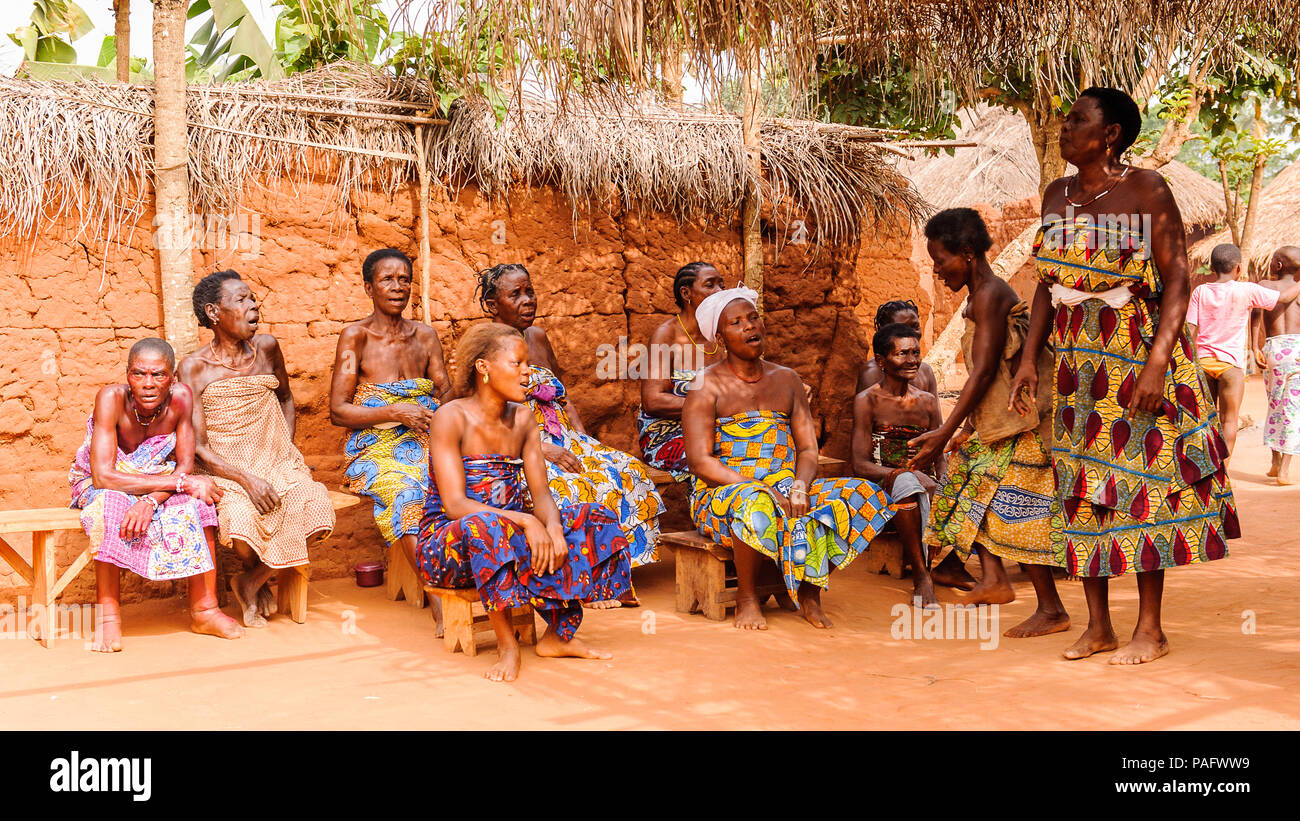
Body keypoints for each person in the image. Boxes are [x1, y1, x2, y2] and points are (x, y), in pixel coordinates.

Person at [1010, 87, 1239, 664]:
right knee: (1084, 495)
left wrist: (1158, 363)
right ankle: (1098, 627)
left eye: (1078, 120)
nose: (1065, 129)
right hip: (1075, 374)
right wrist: (1027, 363)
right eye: (1065, 120)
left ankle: (1150, 630)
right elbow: (1046, 285)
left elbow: (1177, 279)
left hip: (1135, 359)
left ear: (1110, 134)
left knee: (1139, 493)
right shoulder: (1056, 194)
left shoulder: (1145, 189)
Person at [417, 322, 632, 682]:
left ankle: (557, 635)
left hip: (510, 535)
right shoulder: (450, 417)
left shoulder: (523, 418)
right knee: (486, 527)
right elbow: (455, 504)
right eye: (516, 363)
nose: (527, 371)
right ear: (483, 368)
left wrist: (553, 528)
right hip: (452, 545)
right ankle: (508, 646)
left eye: (526, 363)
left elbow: (542, 494)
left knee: (595, 517)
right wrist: (528, 522)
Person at [683, 284, 896, 630]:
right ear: (720, 338)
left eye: (753, 318)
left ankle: (810, 592)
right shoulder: (705, 386)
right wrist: (759, 487)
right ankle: (747, 598)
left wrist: (799, 484)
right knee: (754, 503)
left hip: (786, 485)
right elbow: (701, 462)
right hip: (723, 490)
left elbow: (809, 448)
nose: (750, 326)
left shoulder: (788, 380)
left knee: (860, 496)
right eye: (736, 323)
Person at [909, 209, 1069, 639]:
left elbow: (981, 374)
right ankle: (994, 580)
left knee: (1019, 512)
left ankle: (1051, 609)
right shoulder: (980, 295)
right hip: (1001, 423)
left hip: (1022, 425)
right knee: (970, 485)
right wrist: (966, 431)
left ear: (967, 253)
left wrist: (944, 431)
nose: (938, 271)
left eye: (941, 261)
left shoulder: (988, 296)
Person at [476, 263, 663, 604]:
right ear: (492, 304)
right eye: (515, 294)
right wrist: (541, 449)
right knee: (568, 484)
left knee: (625, 471)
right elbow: (484, 415)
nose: (527, 300)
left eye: (529, 291)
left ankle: (614, 575)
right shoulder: (484, 347)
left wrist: (584, 439)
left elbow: (561, 395)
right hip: (517, 445)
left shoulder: (537, 338)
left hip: (560, 433)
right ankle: (581, 580)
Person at [179, 270, 336, 628]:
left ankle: (251, 581)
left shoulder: (266, 348)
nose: (254, 305)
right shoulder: (193, 367)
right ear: (214, 312)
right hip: (225, 468)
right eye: (242, 300)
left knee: (315, 505)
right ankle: (256, 574)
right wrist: (248, 479)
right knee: (240, 515)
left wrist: (284, 451)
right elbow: (199, 447)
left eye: (253, 298)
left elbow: (286, 399)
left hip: (276, 459)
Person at [69, 338, 243, 651]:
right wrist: (175, 485)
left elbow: (185, 467)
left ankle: (205, 611)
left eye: (158, 375)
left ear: (172, 378)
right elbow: (103, 476)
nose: (148, 384)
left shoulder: (181, 399)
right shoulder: (110, 398)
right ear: (127, 376)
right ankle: (108, 619)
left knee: (199, 505)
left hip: (158, 481)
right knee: (110, 506)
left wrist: (151, 501)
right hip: (103, 483)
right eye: (139, 374)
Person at [330, 249, 452, 587]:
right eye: (387, 279)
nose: (397, 287)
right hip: (376, 448)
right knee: (406, 492)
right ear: (369, 288)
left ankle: (471, 576)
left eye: (404, 280)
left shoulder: (425, 336)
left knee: (474, 481)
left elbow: (447, 392)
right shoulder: (355, 337)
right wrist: (396, 412)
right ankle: (437, 592)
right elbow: (338, 411)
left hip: (430, 438)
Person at [850, 322, 945, 607]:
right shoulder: (868, 401)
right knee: (906, 484)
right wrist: (901, 472)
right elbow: (859, 464)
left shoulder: (927, 402)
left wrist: (945, 482)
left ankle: (956, 568)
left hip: (925, 483)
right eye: (902, 354)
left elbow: (939, 453)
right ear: (881, 361)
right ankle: (922, 577)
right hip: (884, 482)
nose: (912, 360)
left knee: (975, 478)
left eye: (916, 353)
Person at [1186, 243, 1300, 458]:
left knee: (1205, 420)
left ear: (1211, 267)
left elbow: (1190, 327)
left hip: (1203, 363)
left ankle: (1204, 470)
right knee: (1229, 420)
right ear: (1238, 268)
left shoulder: (1200, 291)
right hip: (1231, 367)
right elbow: (1283, 299)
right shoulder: (1247, 290)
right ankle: (1224, 473)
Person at [636, 262, 726, 480]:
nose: (719, 292)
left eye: (721, 285)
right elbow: (653, 401)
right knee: (728, 456)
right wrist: (715, 407)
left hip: (717, 428)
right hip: (669, 434)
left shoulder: (723, 334)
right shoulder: (666, 335)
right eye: (710, 285)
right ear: (686, 293)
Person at [1257, 246, 1300, 485]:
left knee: (1274, 405)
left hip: (1272, 349)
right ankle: (1284, 470)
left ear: (1278, 265)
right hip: (1297, 351)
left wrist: (1254, 346)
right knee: (1294, 410)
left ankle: (1274, 462)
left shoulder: (1264, 286)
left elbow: (1255, 315)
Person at [856, 300, 939, 396]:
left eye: (915, 326)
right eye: (901, 328)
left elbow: (933, 409)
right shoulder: (871, 374)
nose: (910, 333)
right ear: (884, 331)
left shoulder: (926, 372)